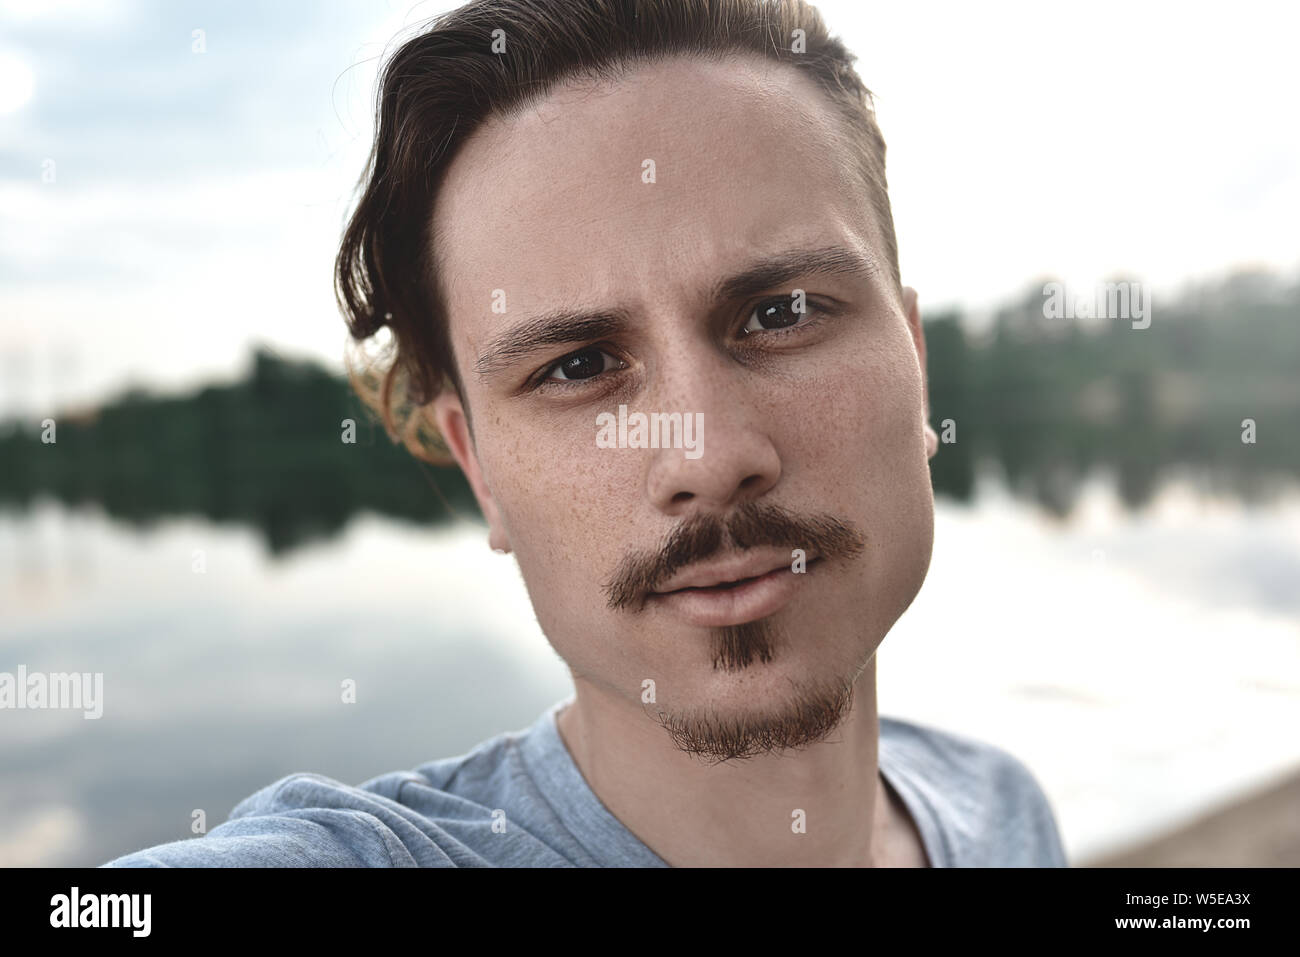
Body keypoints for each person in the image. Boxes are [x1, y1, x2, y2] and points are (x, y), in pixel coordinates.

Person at [105, 0, 1067, 868]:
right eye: (576, 366)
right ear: (479, 467)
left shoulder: (1001, 810)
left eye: (781, 312)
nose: (711, 457)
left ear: (914, 359)